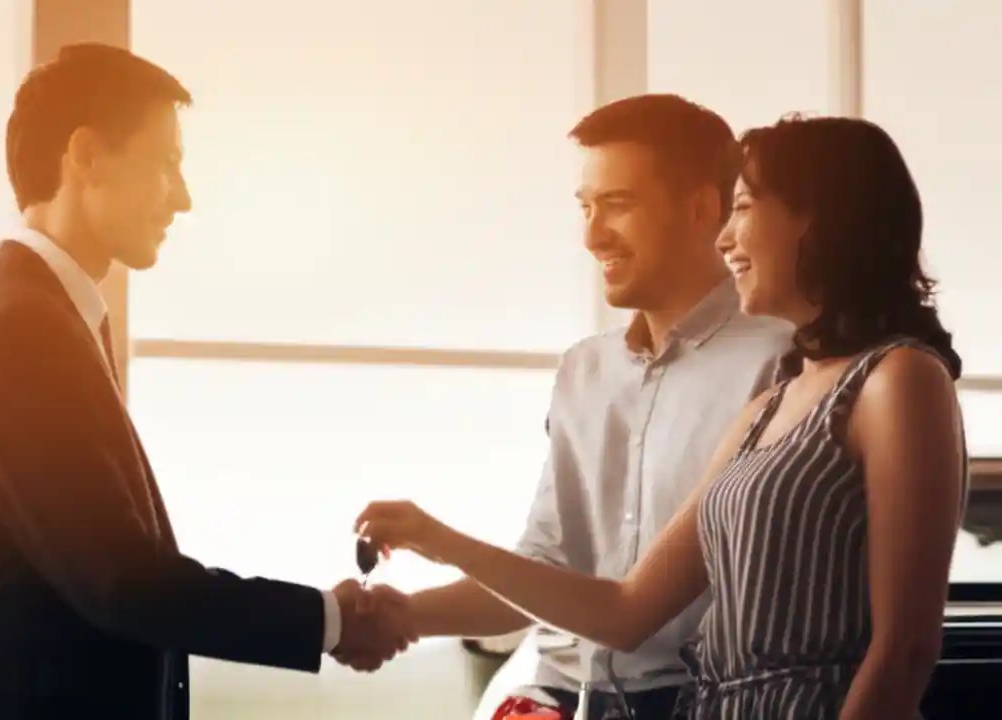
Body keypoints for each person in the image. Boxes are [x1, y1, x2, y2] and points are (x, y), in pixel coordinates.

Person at [355, 115, 968, 719]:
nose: (726, 238)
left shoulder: (895, 378)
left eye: (745, 209)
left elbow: (905, 651)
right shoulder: (770, 404)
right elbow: (626, 610)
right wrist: (437, 548)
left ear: (822, 218)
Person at [0, 43, 413, 720]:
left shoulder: (32, 316)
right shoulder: (20, 331)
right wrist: (330, 620)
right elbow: (120, 579)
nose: (184, 198)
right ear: (87, 156)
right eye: (167, 163)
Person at [336, 95, 793, 720]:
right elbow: (546, 573)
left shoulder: (784, 362)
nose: (591, 235)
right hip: (572, 702)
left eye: (618, 204)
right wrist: (409, 615)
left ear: (702, 208)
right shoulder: (585, 369)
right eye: (585, 206)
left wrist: (441, 540)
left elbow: (634, 614)